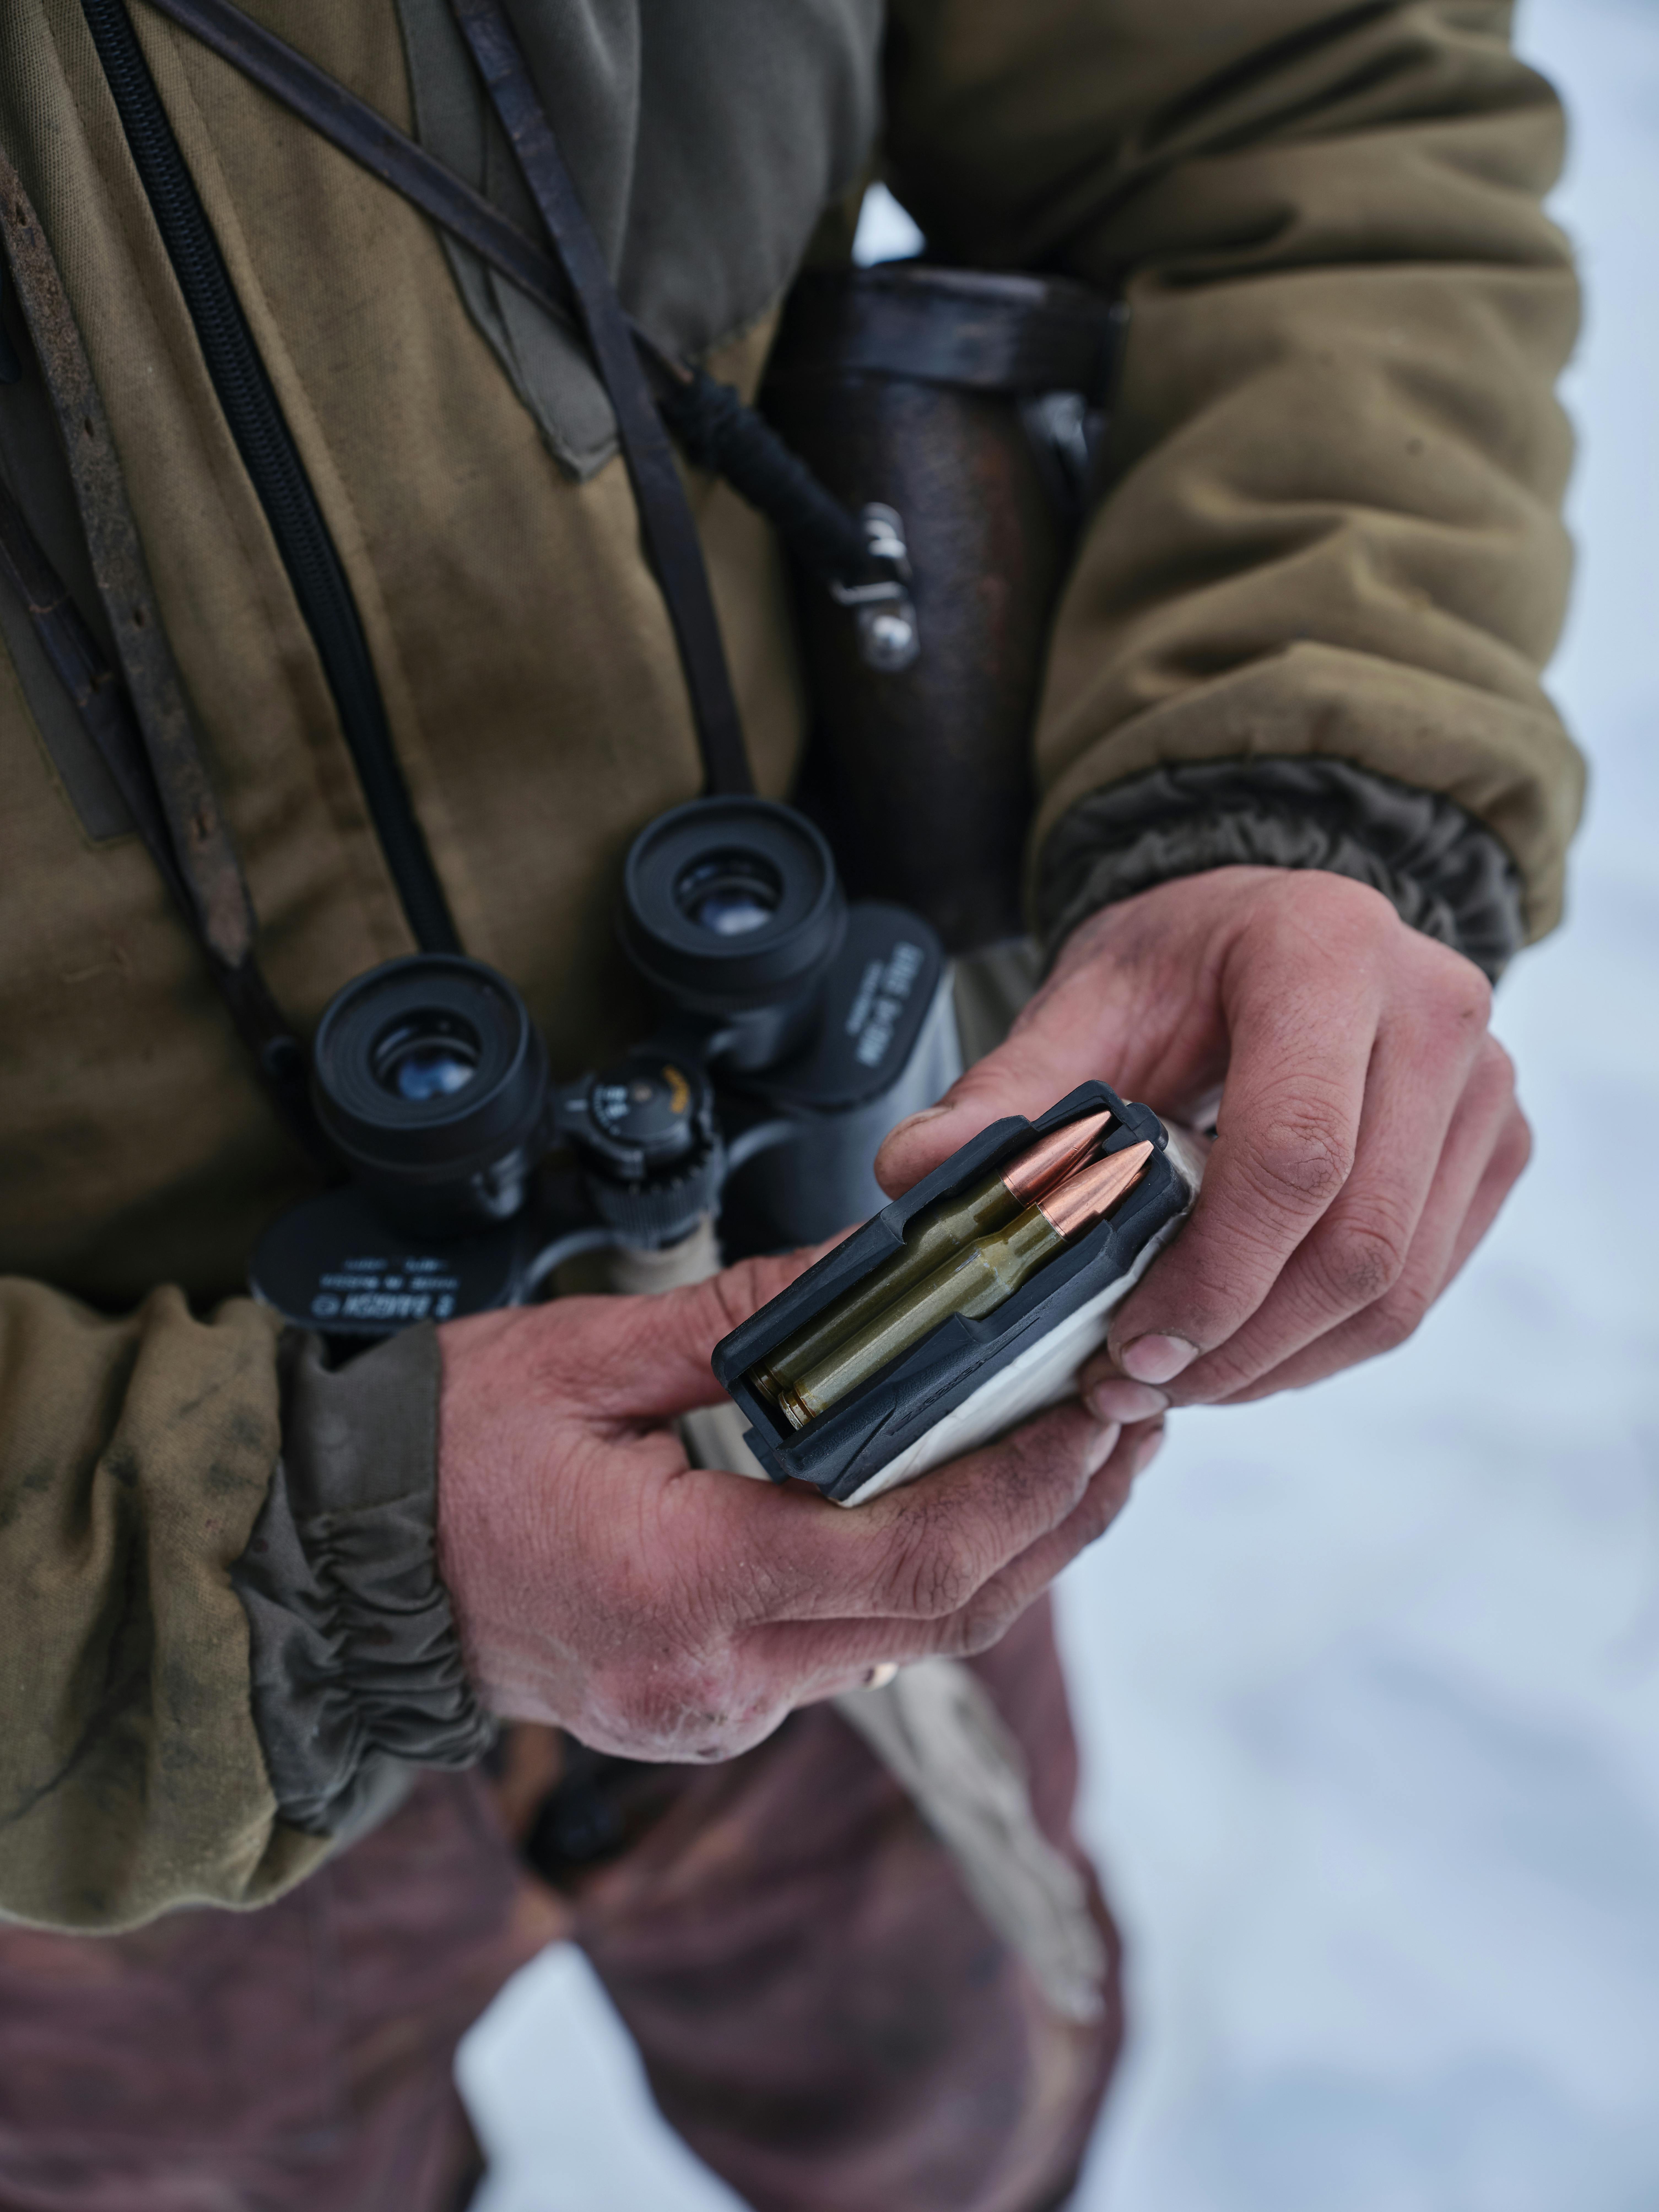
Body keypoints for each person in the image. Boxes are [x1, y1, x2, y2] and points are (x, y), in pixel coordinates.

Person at [0, 2, 1579, 2207]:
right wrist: (219, 1559)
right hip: (84, 1817)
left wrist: (1293, 779)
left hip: (849, 1376)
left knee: (958, 2110)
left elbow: (1284, 94)